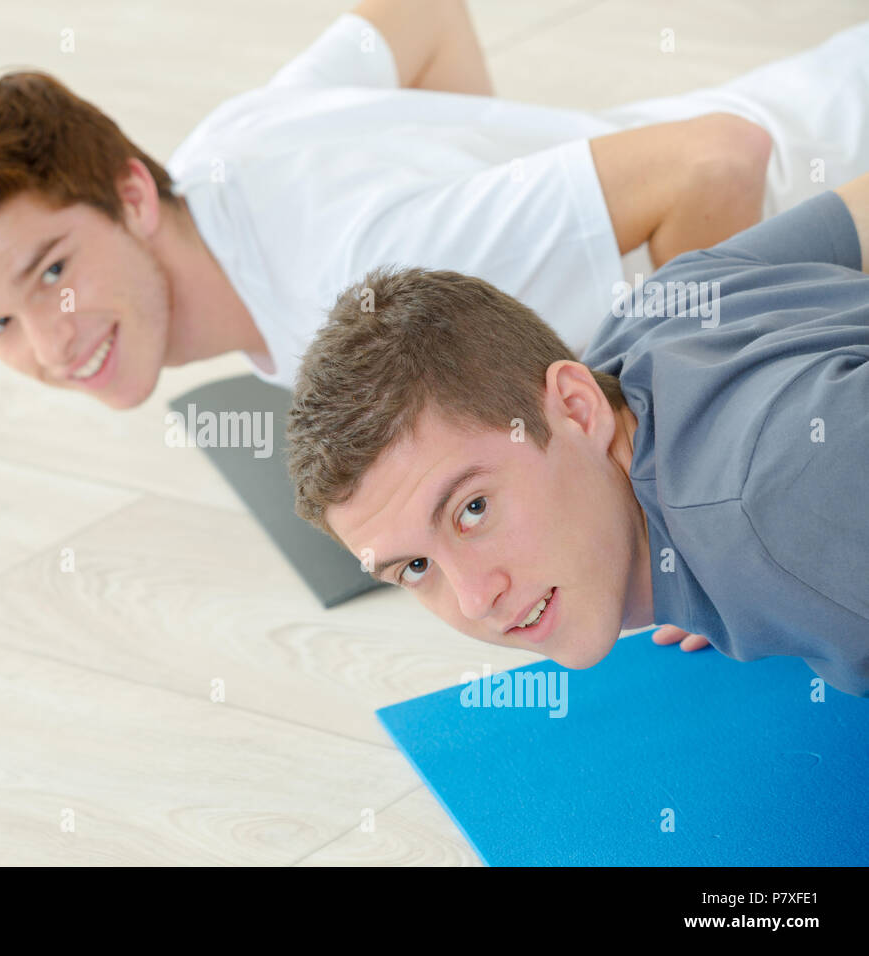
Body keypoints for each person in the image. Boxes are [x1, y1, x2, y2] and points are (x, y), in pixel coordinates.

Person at [0, 1, 869, 411]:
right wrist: (485, 174)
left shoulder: (371, 282)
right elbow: (419, 10)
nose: (49, 343)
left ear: (130, 193)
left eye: (52, 271)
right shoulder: (220, 158)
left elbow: (716, 165)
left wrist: (700, 434)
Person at [283, 169, 869, 696]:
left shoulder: (779, 504)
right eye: (415, 568)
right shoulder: (650, 315)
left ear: (578, 407)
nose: (475, 598)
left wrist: (773, 557)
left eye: (474, 508)